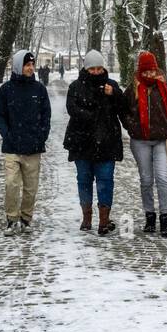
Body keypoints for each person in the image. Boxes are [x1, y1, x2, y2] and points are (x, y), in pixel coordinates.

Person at [120, 51, 167, 237]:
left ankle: (165, 219)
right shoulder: (132, 89)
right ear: (140, 71)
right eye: (146, 72)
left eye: (152, 71)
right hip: (140, 141)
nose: (149, 75)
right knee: (146, 180)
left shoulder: (165, 86)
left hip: (162, 140)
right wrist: (132, 126)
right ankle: (149, 217)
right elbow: (123, 112)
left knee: (163, 178)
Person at [63, 50, 123, 235]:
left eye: (99, 68)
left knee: (105, 180)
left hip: (107, 141)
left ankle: (104, 221)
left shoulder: (111, 85)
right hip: (82, 141)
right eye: (92, 69)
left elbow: (124, 107)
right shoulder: (75, 86)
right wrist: (91, 116)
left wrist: (114, 94)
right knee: (84, 180)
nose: (96, 72)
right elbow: (71, 108)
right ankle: (86, 218)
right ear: (86, 68)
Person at [0, 49, 51, 233]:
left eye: (32, 64)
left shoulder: (39, 89)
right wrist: (7, 134)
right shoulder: (5, 90)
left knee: (30, 188)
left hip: (33, 147)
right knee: (12, 183)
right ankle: (11, 219)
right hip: (12, 146)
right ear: (19, 66)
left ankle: (26, 218)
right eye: (27, 65)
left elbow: (46, 115)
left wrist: (42, 135)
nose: (31, 68)